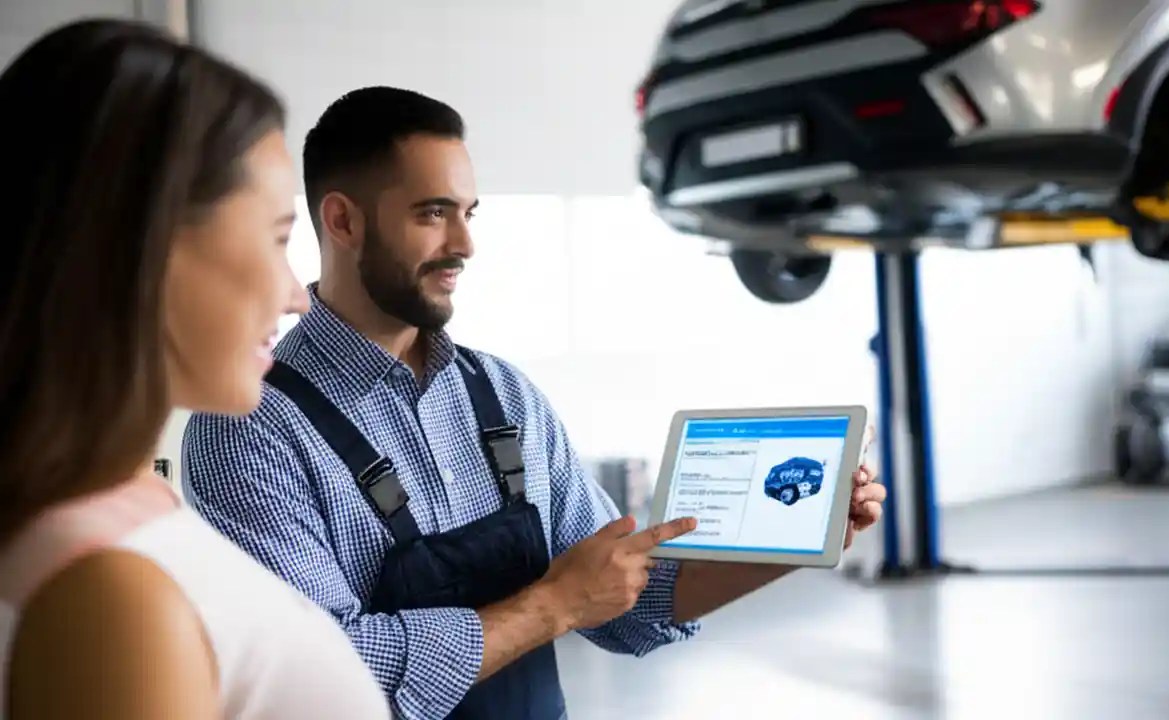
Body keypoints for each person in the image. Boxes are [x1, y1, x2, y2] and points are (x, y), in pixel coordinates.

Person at [182, 85, 887, 720]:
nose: (465, 244)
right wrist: (553, 605)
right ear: (342, 221)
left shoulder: (505, 396)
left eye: (468, 213)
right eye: (433, 213)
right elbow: (323, 677)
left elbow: (624, 602)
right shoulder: (250, 427)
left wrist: (798, 538)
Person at [0, 20, 391, 720]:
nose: (297, 295)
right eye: (277, 238)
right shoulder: (111, 602)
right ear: (146, 244)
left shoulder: (125, 513)